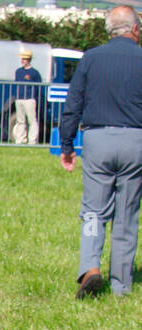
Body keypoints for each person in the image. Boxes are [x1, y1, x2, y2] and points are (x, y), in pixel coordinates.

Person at [59, 5, 142, 297]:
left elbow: (73, 105)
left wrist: (67, 145)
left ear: (110, 30)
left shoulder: (91, 59)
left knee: (94, 211)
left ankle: (90, 267)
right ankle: (121, 286)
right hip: (136, 141)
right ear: (135, 29)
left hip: (97, 139)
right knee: (126, 215)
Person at [12, 48, 42, 145]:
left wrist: (35, 98)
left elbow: (38, 86)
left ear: (28, 60)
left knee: (32, 121)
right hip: (19, 98)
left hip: (29, 99)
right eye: (22, 59)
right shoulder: (18, 71)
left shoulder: (34, 73)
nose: (22, 61)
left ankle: (32, 140)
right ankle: (20, 139)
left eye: (24, 59)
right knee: (20, 121)